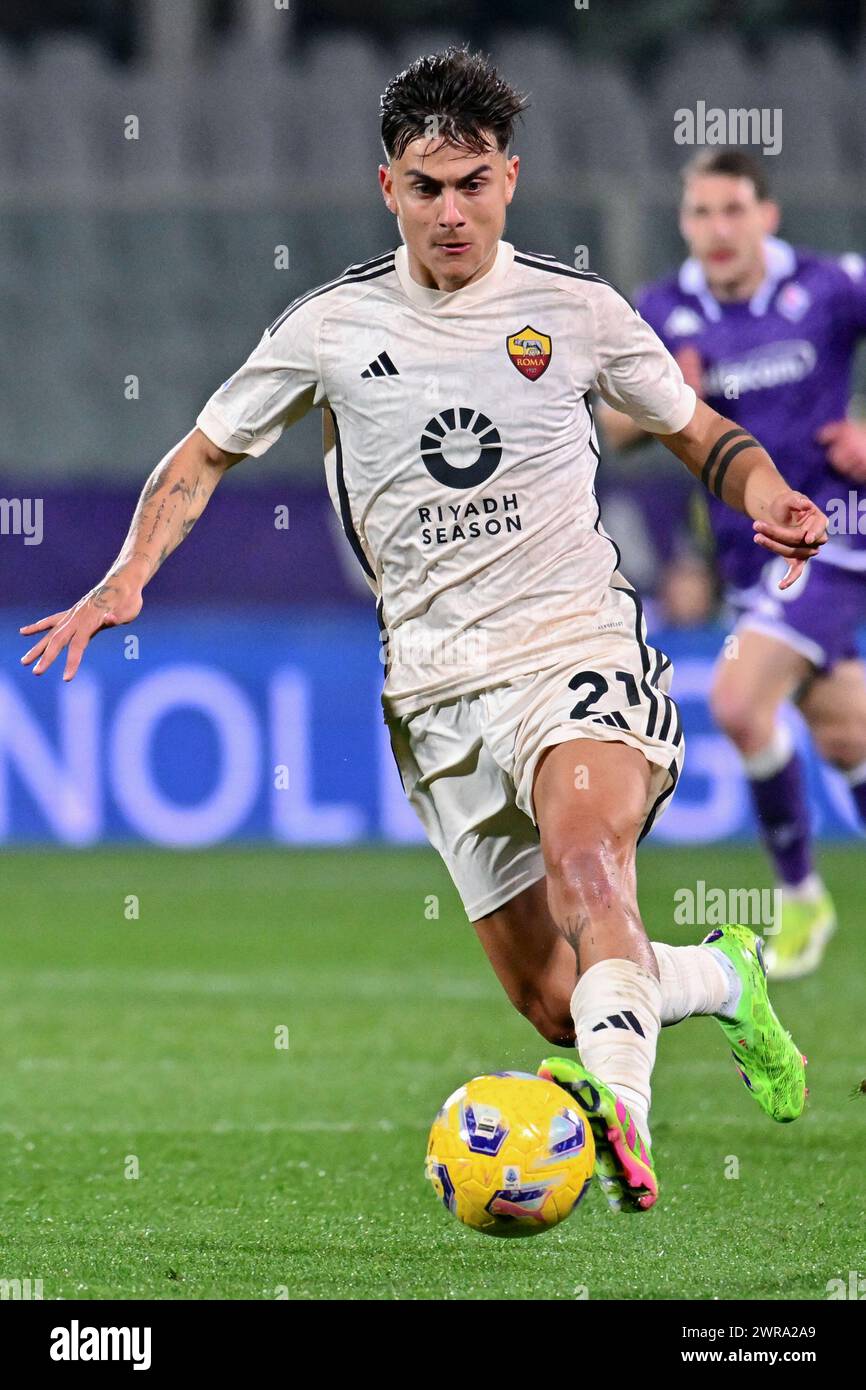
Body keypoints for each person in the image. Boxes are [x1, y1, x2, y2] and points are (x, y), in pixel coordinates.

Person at [20, 52, 827, 1215]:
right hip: (435, 692)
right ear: (383, 187)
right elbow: (202, 454)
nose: (450, 211)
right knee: (557, 1002)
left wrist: (763, 500)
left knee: (587, 864)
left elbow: (701, 432)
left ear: (509, 178)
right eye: (423, 186)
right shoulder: (332, 327)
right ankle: (722, 977)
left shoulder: (576, 311)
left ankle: (621, 1121)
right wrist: (124, 576)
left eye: (471, 184)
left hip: (574, 650)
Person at [599, 149, 866, 981]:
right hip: (750, 557)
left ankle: (799, 899)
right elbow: (614, 432)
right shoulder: (666, 309)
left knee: (738, 700)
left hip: (835, 537)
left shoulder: (830, 287)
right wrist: (660, 403)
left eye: (732, 210)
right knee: (846, 732)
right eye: (701, 214)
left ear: (767, 216)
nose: (717, 230)